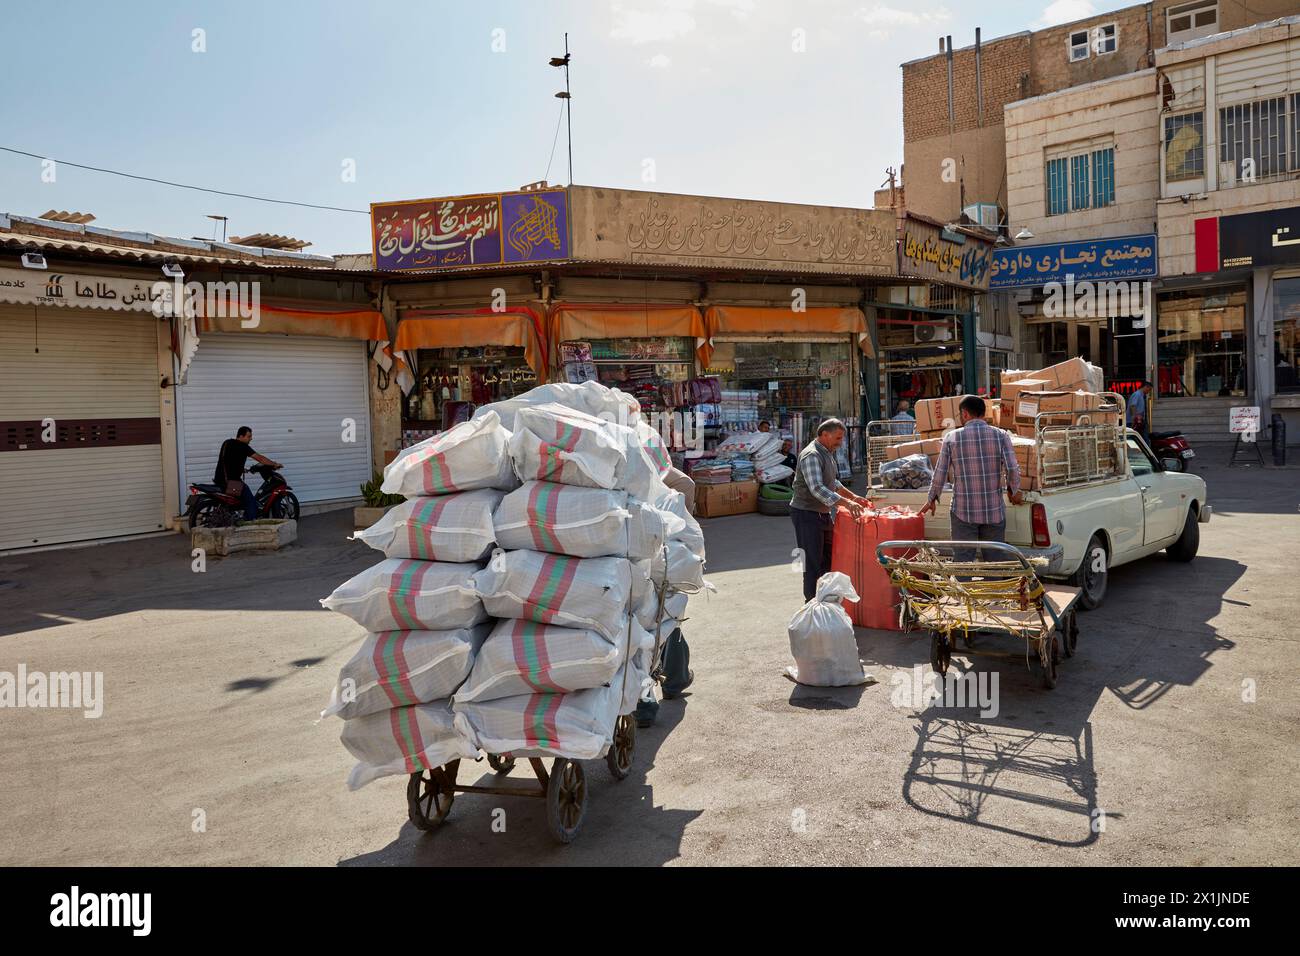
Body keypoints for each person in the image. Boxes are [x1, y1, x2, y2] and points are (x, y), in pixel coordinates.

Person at [920, 396, 1023, 560]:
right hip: (993, 511)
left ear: (965, 414)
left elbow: (940, 473)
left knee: (963, 562)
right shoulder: (1001, 435)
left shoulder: (952, 438)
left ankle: (964, 585)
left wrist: (932, 498)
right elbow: (1012, 468)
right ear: (983, 413)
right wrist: (1013, 489)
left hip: (963, 511)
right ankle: (994, 585)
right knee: (995, 562)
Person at [789, 419, 873, 601]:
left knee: (829, 558)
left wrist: (853, 497)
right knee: (812, 562)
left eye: (841, 439)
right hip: (806, 514)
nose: (840, 443)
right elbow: (817, 488)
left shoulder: (827, 452)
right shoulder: (811, 454)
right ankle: (811, 604)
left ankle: (825, 600)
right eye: (838, 438)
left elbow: (833, 482)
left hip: (823, 514)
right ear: (824, 435)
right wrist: (847, 504)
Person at [214, 426, 280, 521]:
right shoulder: (243, 446)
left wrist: (241, 469)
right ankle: (251, 523)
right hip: (232, 483)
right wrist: (274, 464)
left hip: (219, 480)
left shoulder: (227, 442)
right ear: (241, 436)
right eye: (249, 436)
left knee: (241, 501)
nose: (251, 438)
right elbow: (260, 458)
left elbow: (229, 460)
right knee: (251, 502)